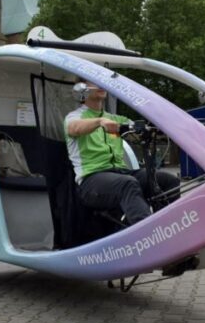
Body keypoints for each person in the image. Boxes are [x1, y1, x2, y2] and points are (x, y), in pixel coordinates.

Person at [65, 80, 179, 225]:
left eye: (102, 82)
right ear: (81, 89)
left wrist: (152, 127)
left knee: (168, 180)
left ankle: (170, 227)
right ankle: (149, 234)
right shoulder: (74, 117)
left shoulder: (115, 119)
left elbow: (135, 132)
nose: (101, 85)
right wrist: (99, 122)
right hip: (91, 180)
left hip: (120, 173)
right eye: (94, 82)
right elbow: (73, 128)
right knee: (127, 184)